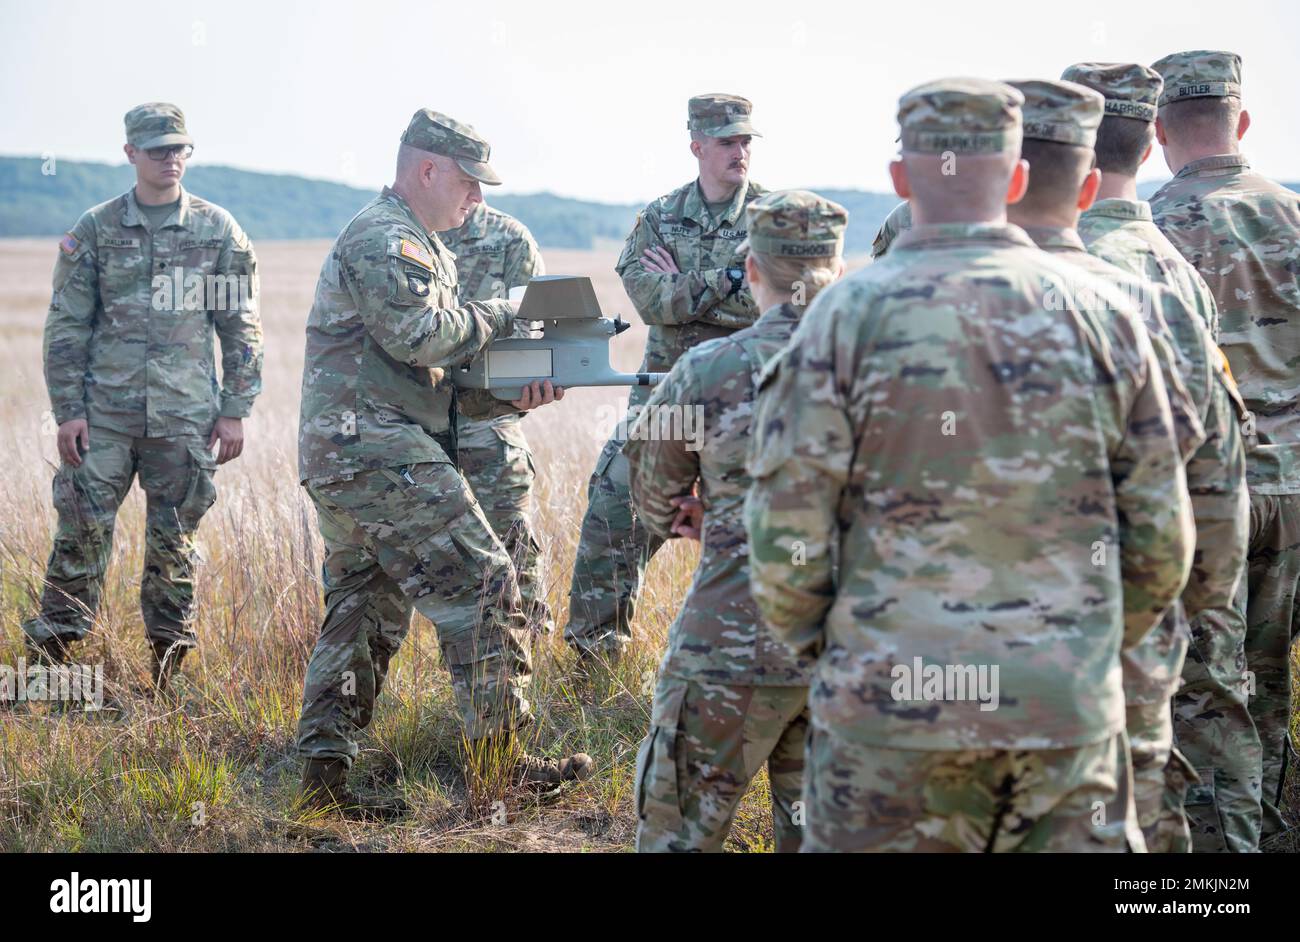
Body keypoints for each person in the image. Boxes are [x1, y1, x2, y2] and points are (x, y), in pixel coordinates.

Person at [746, 78, 1193, 852]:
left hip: (889, 713)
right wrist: (1083, 647)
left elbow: (785, 536)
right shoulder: (1106, 315)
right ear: (1016, 180)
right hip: (1063, 712)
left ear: (899, 182)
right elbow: (1163, 540)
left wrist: (847, 652)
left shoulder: (840, 320)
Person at [295, 109, 591, 818]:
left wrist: (519, 390)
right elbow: (421, 335)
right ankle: (503, 767)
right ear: (427, 170)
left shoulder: (420, 240)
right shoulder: (387, 238)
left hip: (364, 450)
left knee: (365, 605)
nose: (478, 198)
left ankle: (324, 783)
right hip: (370, 449)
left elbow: (438, 375)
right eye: (468, 181)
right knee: (485, 577)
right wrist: (496, 312)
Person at [1002, 77, 1231, 852]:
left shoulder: (889, 306)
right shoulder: (1158, 303)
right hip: (1112, 655)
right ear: (1090, 184)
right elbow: (1214, 496)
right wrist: (1155, 626)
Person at [1064, 59, 1259, 853]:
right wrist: (1204, 585)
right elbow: (1219, 452)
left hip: (1074, 587)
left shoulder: (1054, 272)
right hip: (1173, 553)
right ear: (1150, 143)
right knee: (1203, 727)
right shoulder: (1178, 272)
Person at [626, 190, 847, 852]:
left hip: (729, 645)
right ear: (838, 273)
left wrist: (706, 509)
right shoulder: (891, 372)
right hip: (852, 653)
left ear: (752, 270)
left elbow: (651, 492)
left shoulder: (708, 369)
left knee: (678, 837)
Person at [22, 102, 262, 700]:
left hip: (184, 422)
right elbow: (67, 327)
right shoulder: (97, 229)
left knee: (174, 546)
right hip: (102, 419)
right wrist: (68, 410)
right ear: (131, 153)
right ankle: (53, 676)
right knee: (79, 536)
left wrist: (236, 409)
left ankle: (164, 678)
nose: (171, 159)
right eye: (158, 149)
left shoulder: (217, 230)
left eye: (180, 148)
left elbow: (240, 327)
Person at [1149, 49, 1300, 846]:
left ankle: (1221, 870)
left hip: (1212, 496)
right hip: (1295, 487)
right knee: (1268, 682)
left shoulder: (1153, 232)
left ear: (1158, 130)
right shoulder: (1293, 215)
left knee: (1209, 694)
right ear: (1240, 122)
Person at [565, 94, 767, 666]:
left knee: (753, 536)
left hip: (746, 408)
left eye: (746, 139)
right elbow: (652, 301)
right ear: (697, 146)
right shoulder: (659, 216)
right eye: (727, 140)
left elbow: (776, 306)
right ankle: (594, 663)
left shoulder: (775, 218)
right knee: (613, 513)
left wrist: (692, 288)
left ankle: (755, 664)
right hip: (665, 405)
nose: (740, 151)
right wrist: (731, 279)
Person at [440, 203, 551, 631]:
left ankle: (530, 652)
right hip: (415, 417)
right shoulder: (413, 234)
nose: (470, 191)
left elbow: (531, 331)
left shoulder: (510, 239)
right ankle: (468, 656)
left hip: (488, 420)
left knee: (514, 548)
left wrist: (521, 391)